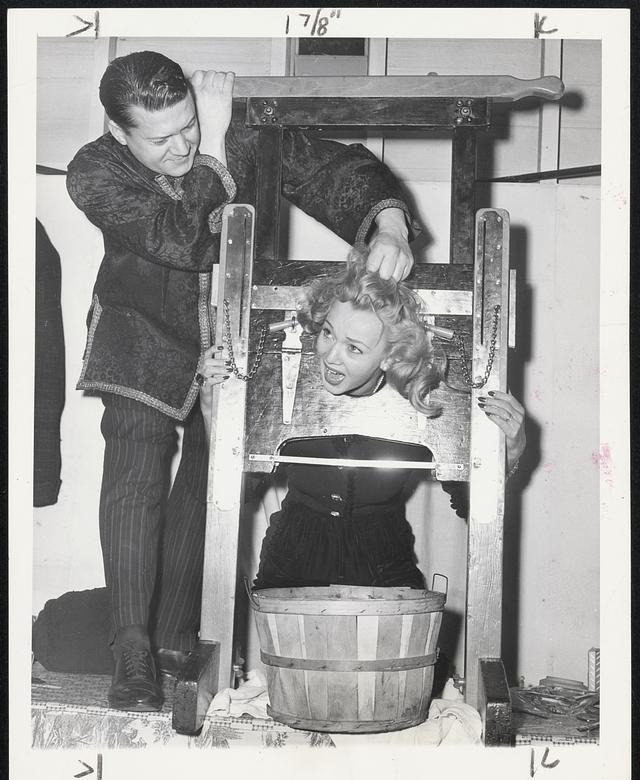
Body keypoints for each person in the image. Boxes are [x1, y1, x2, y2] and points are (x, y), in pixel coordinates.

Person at [66, 51, 418, 711]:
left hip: (231, 336)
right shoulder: (94, 170)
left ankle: (177, 644)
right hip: (139, 335)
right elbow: (186, 241)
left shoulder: (234, 129)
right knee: (136, 476)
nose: (181, 145)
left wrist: (390, 224)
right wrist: (215, 147)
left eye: (189, 126)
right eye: (161, 139)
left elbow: (336, 168)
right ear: (118, 131)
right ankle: (131, 651)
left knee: (211, 480)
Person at [200, 249, 527, 589]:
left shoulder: (424, 400)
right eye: (328, 333)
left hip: (384, 561)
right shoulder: (281, 383)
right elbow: (238, 489)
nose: (331, 356)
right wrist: (211, 411)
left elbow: (472, 505)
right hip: (293, 556)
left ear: (390, 357)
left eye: (354, 348)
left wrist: (511, 451)